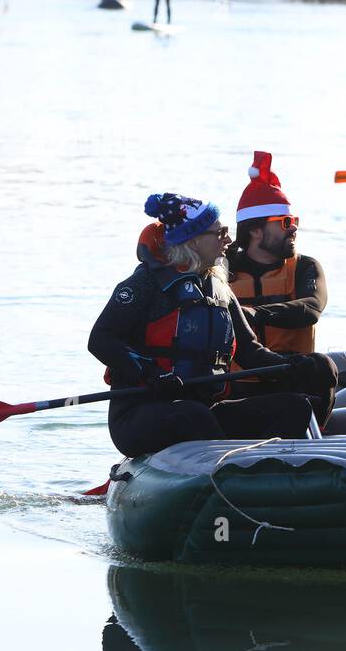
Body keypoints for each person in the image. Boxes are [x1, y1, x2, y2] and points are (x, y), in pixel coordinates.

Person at [87, 193, 329, 457]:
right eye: (220, 232)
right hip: (139, 414)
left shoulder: (219, 287)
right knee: (193, 415)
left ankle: (271, 473)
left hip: (202, 408)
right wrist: (151, 374)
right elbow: (101, 340)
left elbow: (249, 352)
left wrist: (292, 367)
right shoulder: (145, 285)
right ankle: (225, 475)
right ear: (192, 240)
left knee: (295, 407)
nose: (228, 239)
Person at [226, 151, 337, 410]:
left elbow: (311, 308)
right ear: (255, 230)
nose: (294, 228)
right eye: (285, 222)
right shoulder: (221, 272)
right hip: (237, 383)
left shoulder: (305, 267)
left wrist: (255, 314)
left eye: (295, 221)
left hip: (291, 375)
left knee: (323, 367)